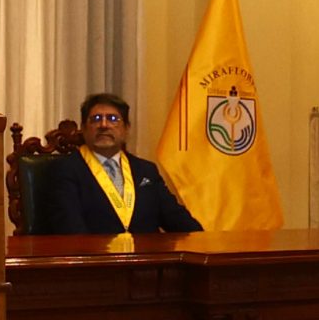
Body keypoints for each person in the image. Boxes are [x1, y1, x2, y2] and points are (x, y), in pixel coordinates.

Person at [43, 92, 203, 234]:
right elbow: (71, 231)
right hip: (95, 263)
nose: (104, 125)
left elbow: (177, 219)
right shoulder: (65, 170)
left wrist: (202, 241)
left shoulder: (146, 170)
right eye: (96, 119)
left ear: (126, 129)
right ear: (84, 129)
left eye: (113, 119)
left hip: (148, 262)